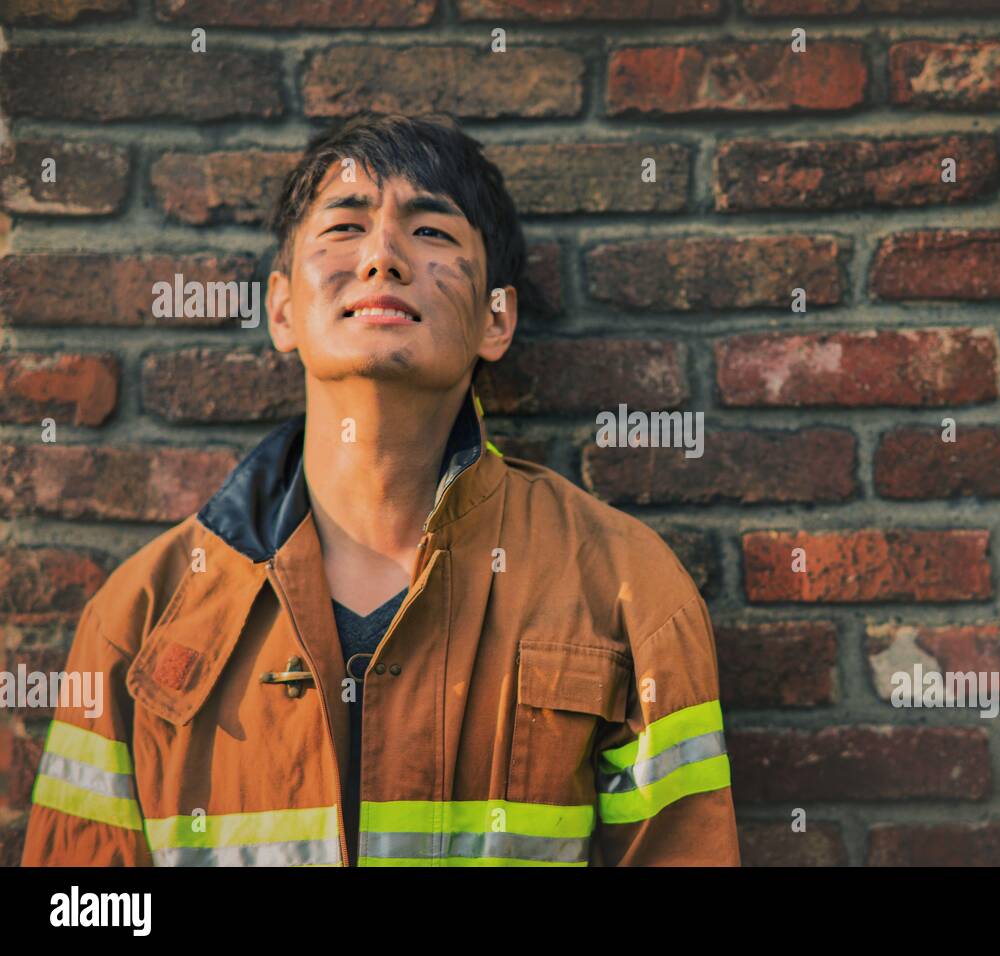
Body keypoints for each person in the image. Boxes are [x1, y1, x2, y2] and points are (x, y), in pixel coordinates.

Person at [21, 112, 741, 867]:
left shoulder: (626, 592)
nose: (383, 257)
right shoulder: (140, 622)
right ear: (280, 309)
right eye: (343, 227)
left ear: (498, 320)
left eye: (431, 232)